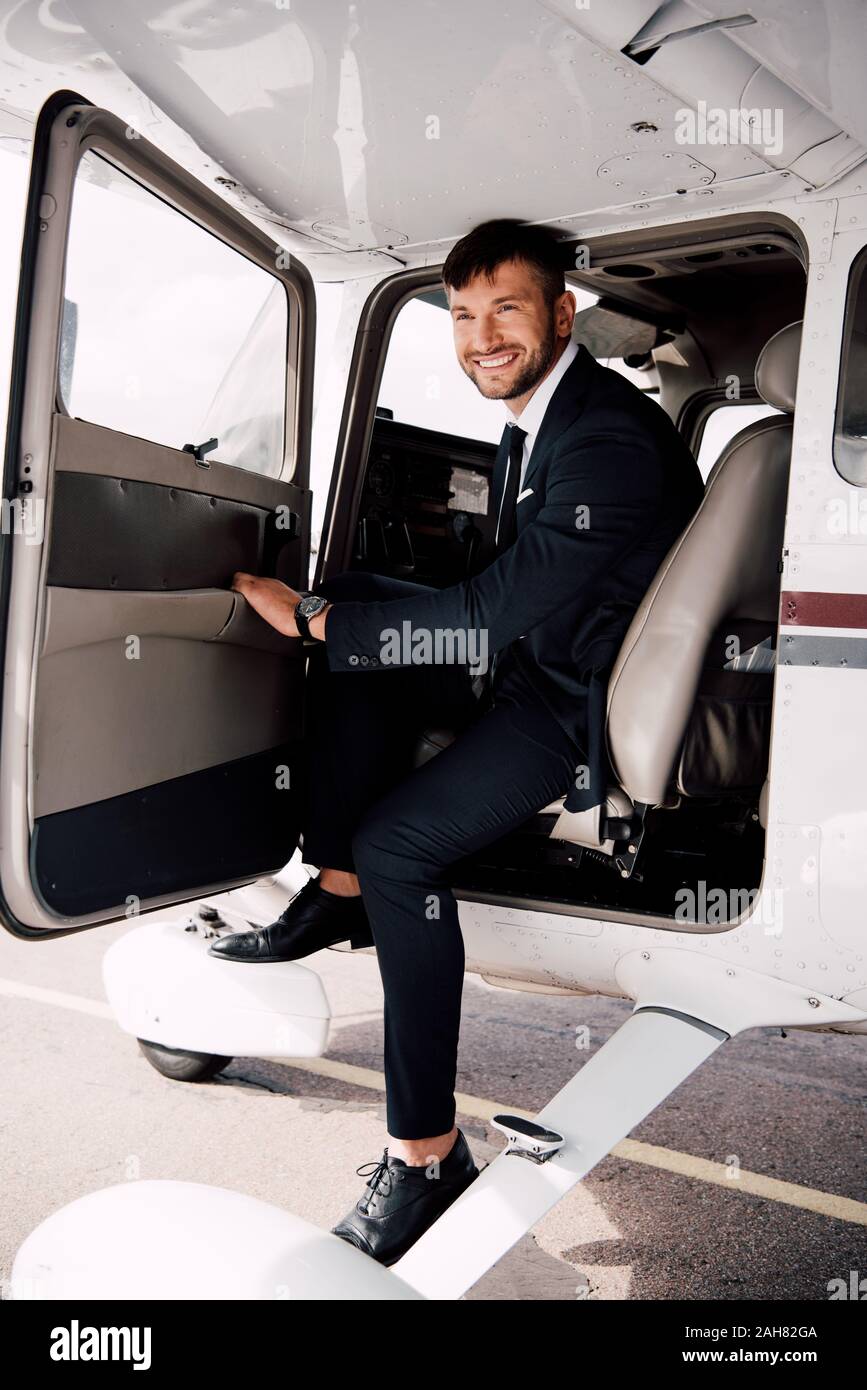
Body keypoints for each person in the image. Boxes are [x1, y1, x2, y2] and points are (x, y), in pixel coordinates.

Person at [209, 219, 704, 1266]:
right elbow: (494, 600)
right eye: (465, 315)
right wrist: (339, 612)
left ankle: (427, 1156)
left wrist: (310, 624)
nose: (482, 337)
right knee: (357, 596)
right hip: (547, 658)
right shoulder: (551, 416)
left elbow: (481, 617)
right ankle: (334, 886)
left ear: (562, 314)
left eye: (508, 310)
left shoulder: (607, 439)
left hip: (573, 707)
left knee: (403, 842)